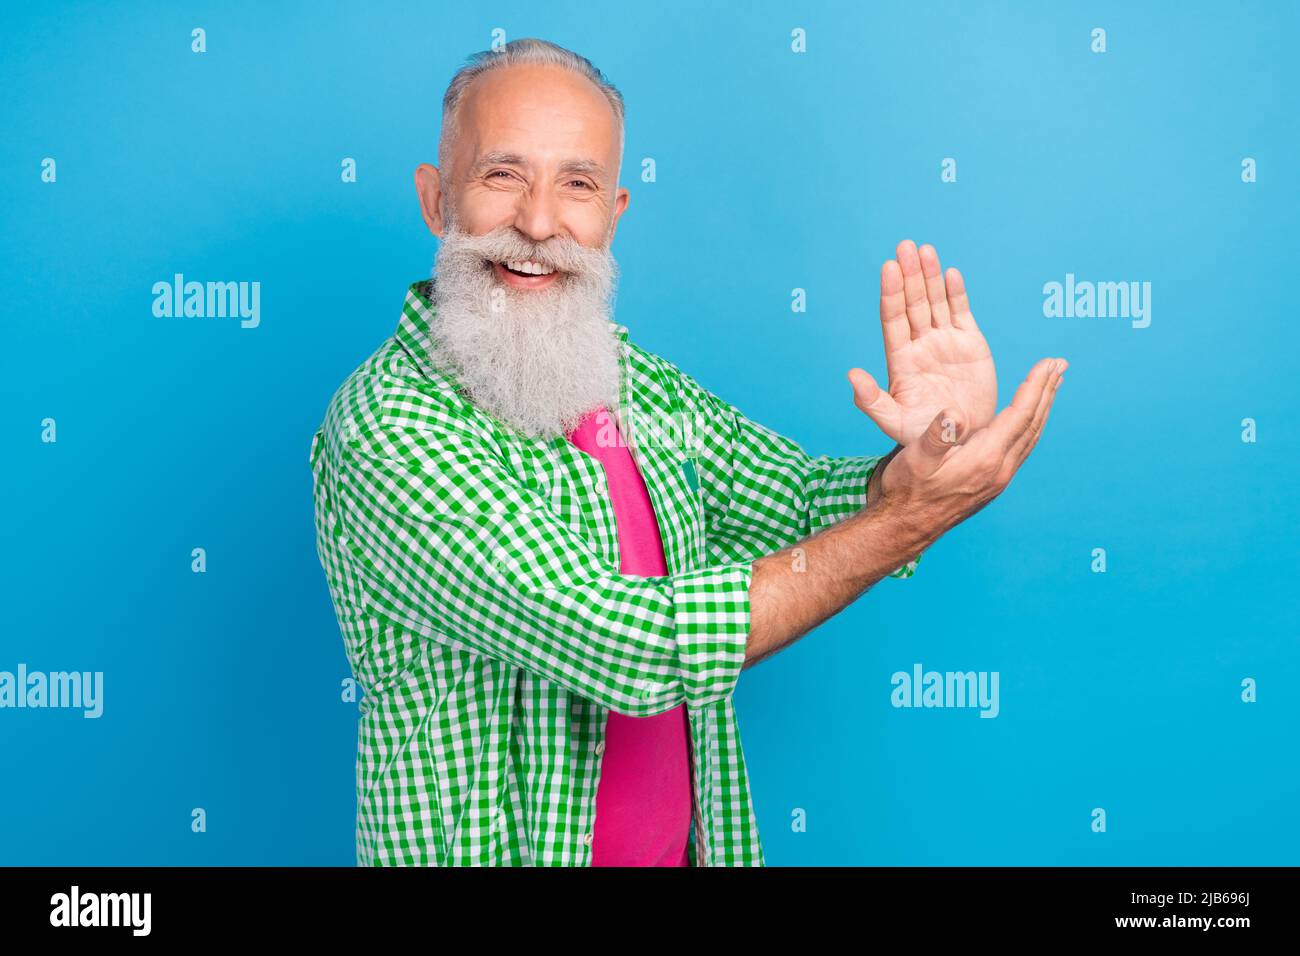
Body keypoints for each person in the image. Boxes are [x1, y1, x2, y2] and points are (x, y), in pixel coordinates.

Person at [309, 37, 1067, 866]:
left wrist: (914, 468)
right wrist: (914, 520)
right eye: (502, 175)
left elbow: (799, 501)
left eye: (578, 185)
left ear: (614, 214)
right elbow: (634, 644)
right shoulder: (388, 426)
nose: (537, 223)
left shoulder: (637, 386)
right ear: (434, 198)